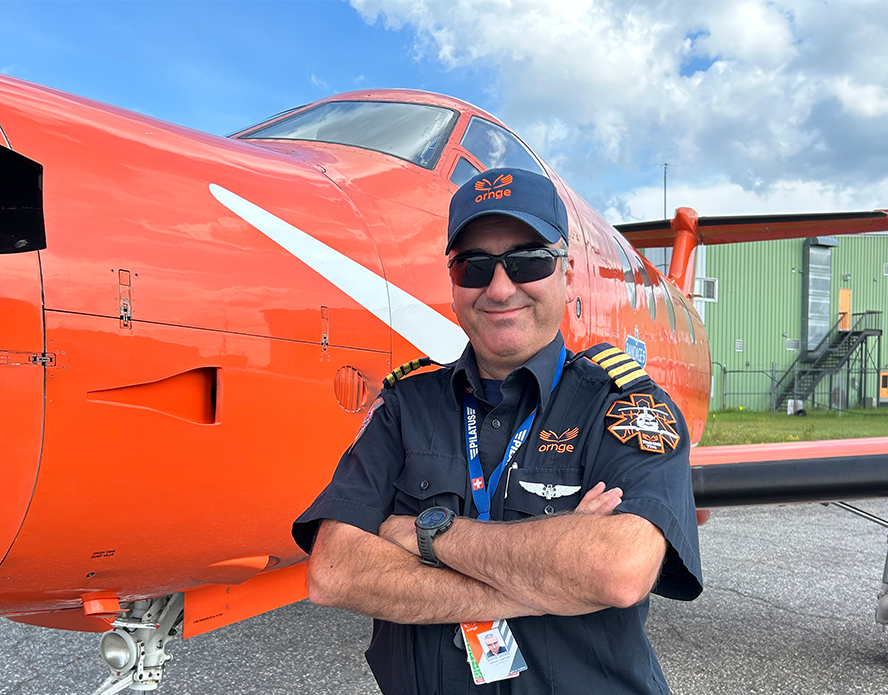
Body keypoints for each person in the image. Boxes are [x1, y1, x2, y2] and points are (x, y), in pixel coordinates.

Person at [292, 167, 702, 695]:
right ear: (454, 281)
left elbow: (618, 570)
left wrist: (423, 533)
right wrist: (552, 579)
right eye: (474, 267)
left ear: (567, 273)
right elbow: (334, 572)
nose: (500, 287)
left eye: (527, 261)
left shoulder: (625, 405)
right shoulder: (404, 405)